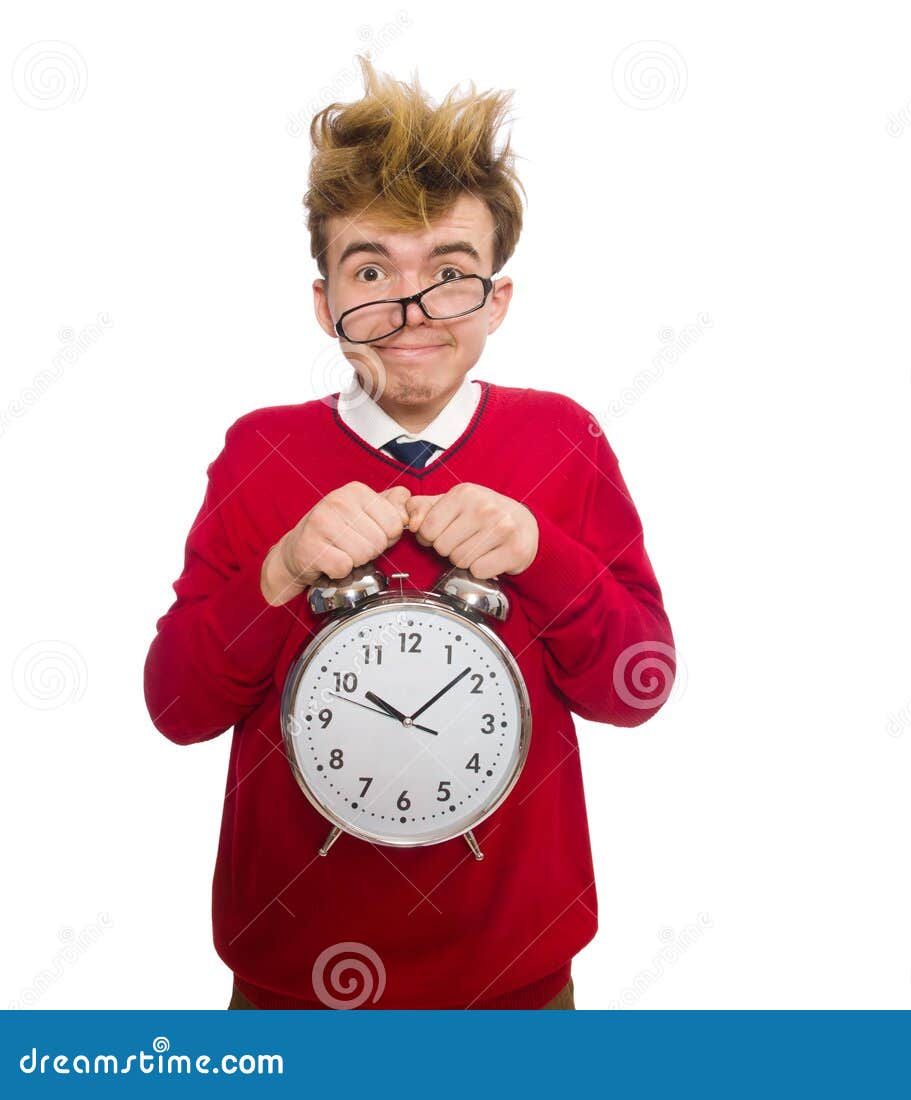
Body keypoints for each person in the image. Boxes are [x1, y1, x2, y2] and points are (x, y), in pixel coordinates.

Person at [142, 57, 675, 1010]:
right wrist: (280, 571)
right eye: (372, 269)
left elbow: (639, 688)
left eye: (450, 273)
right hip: (290, 981)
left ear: (496, 301)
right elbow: (177, 708)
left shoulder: (563, 438)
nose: (410, 309)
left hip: (516, 976)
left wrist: (543, 556)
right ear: (325, 302)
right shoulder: (260, 453)